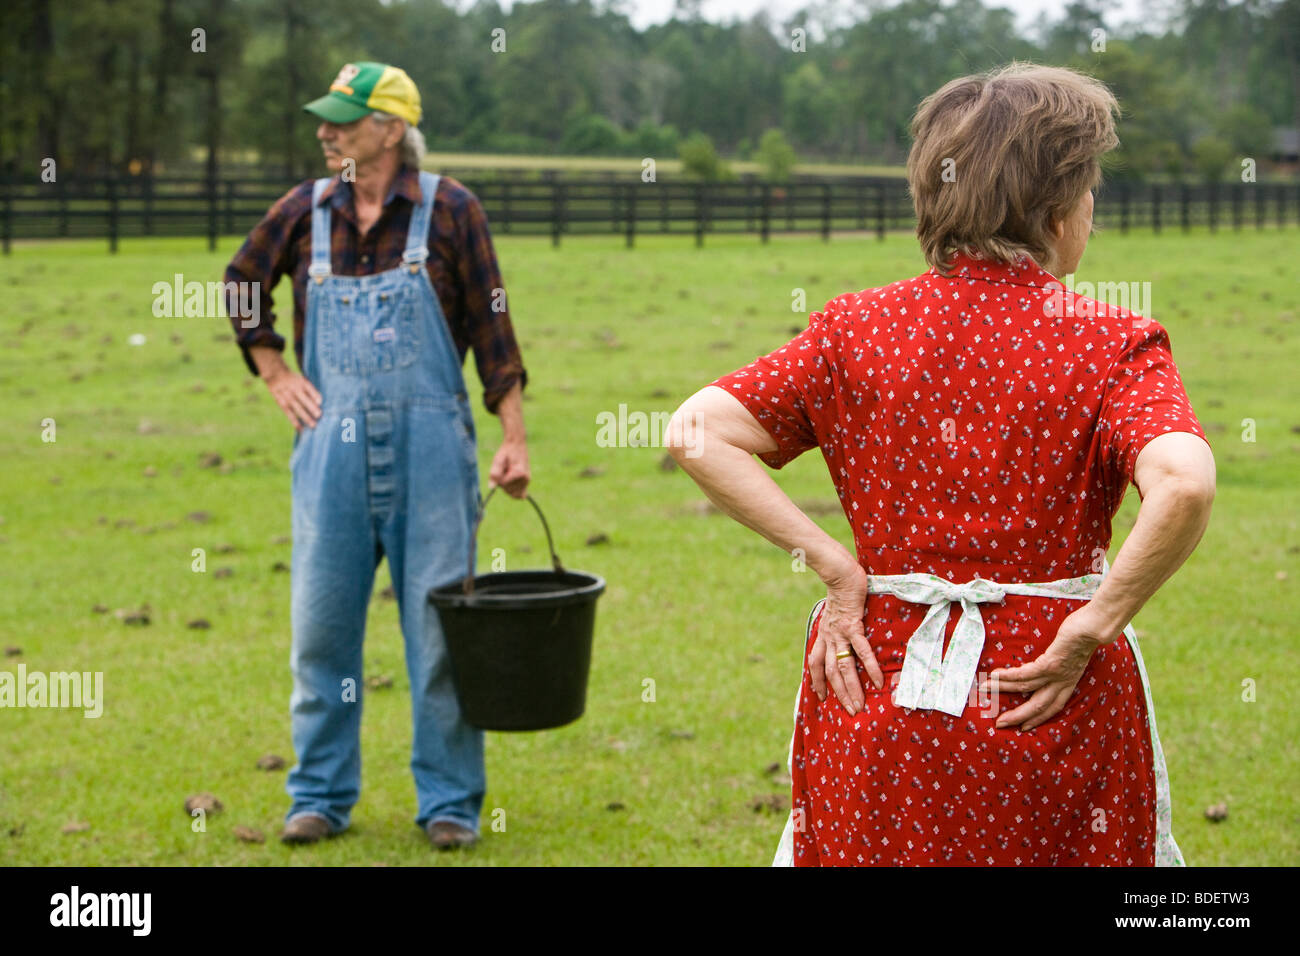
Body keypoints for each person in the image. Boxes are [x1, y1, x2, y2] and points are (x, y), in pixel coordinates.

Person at [666, 63, 1215, 866]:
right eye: (1090, 186)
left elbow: (694, 430)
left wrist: (833, 565)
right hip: (1044, 688)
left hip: (874, 680)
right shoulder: (1112, 343)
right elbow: (1188, 482)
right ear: (1059, 208)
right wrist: (1095, 625)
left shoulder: (854, 328)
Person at [222, 62, 530, 849]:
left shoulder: (452, 209)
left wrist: (514, 437)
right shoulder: (305, 210)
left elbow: (494, 330)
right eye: (325, 120)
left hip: (433, 449)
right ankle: (319, 794)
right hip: (329, 452)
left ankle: (452, 803)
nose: (326, 132)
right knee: (322, 630)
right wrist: (275, 370)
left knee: (439, 635)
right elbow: (240, 283)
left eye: (345, 121)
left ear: (391, 130)